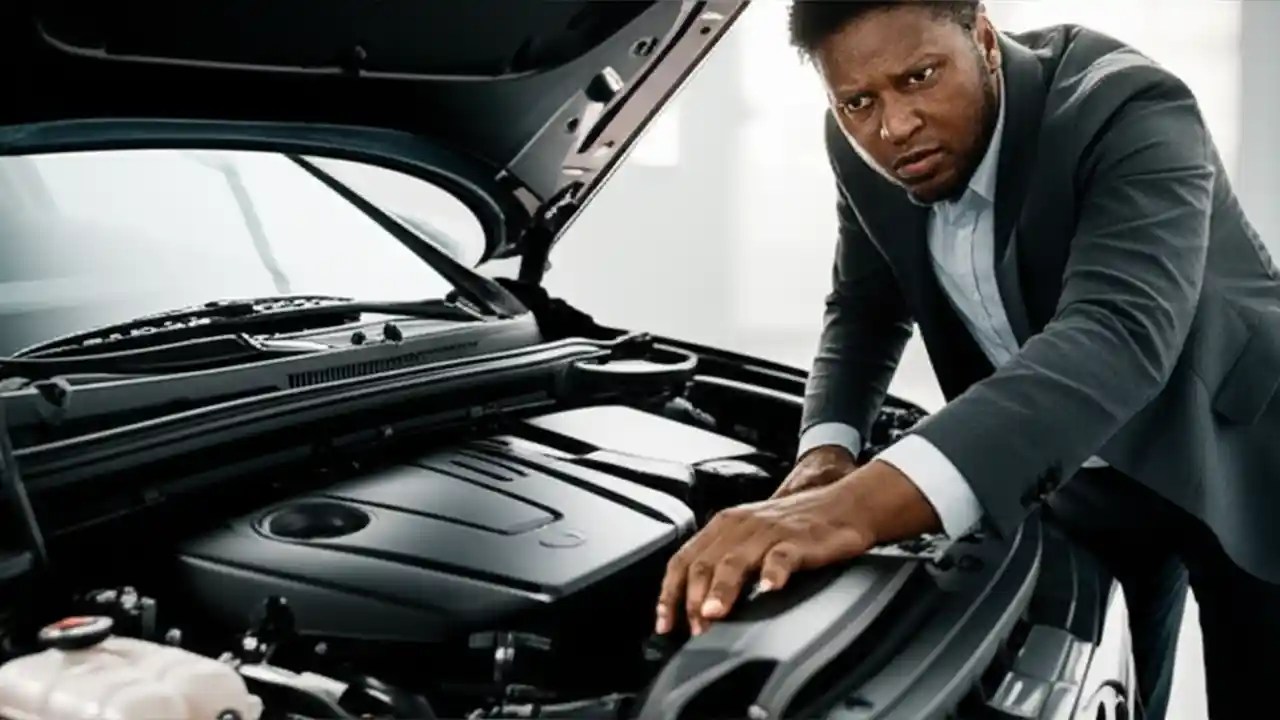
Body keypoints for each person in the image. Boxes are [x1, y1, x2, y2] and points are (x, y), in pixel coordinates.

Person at [653, 2, 1280, 717]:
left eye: (920, 76)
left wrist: (850, 510)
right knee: (1117, 693)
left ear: (982, 37)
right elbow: (863, 304)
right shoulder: (857, 142)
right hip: (1071, 465)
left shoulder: (1130, 105)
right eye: (858, 101)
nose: (892, 127)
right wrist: (826, 455)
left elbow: (1117, 334)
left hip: (1235, 441)